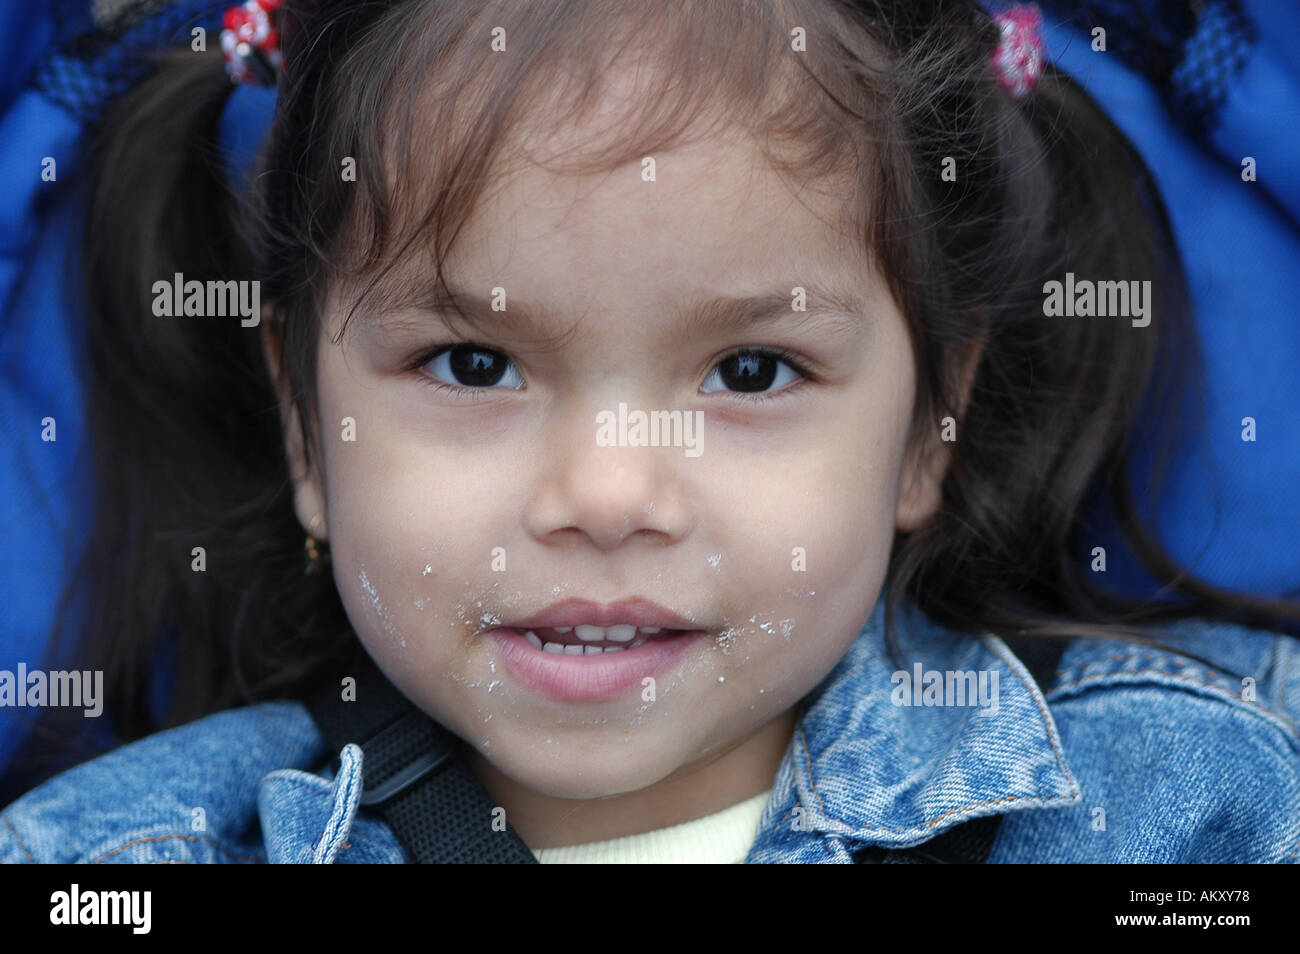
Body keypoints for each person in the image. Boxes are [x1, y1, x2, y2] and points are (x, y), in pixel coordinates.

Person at [2, 0, 1297, 863]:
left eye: (749, 368)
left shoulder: (1205, 791)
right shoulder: (123, 857)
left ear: (926, 431)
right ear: (305, 429)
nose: (608, 492)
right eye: (472, 361)